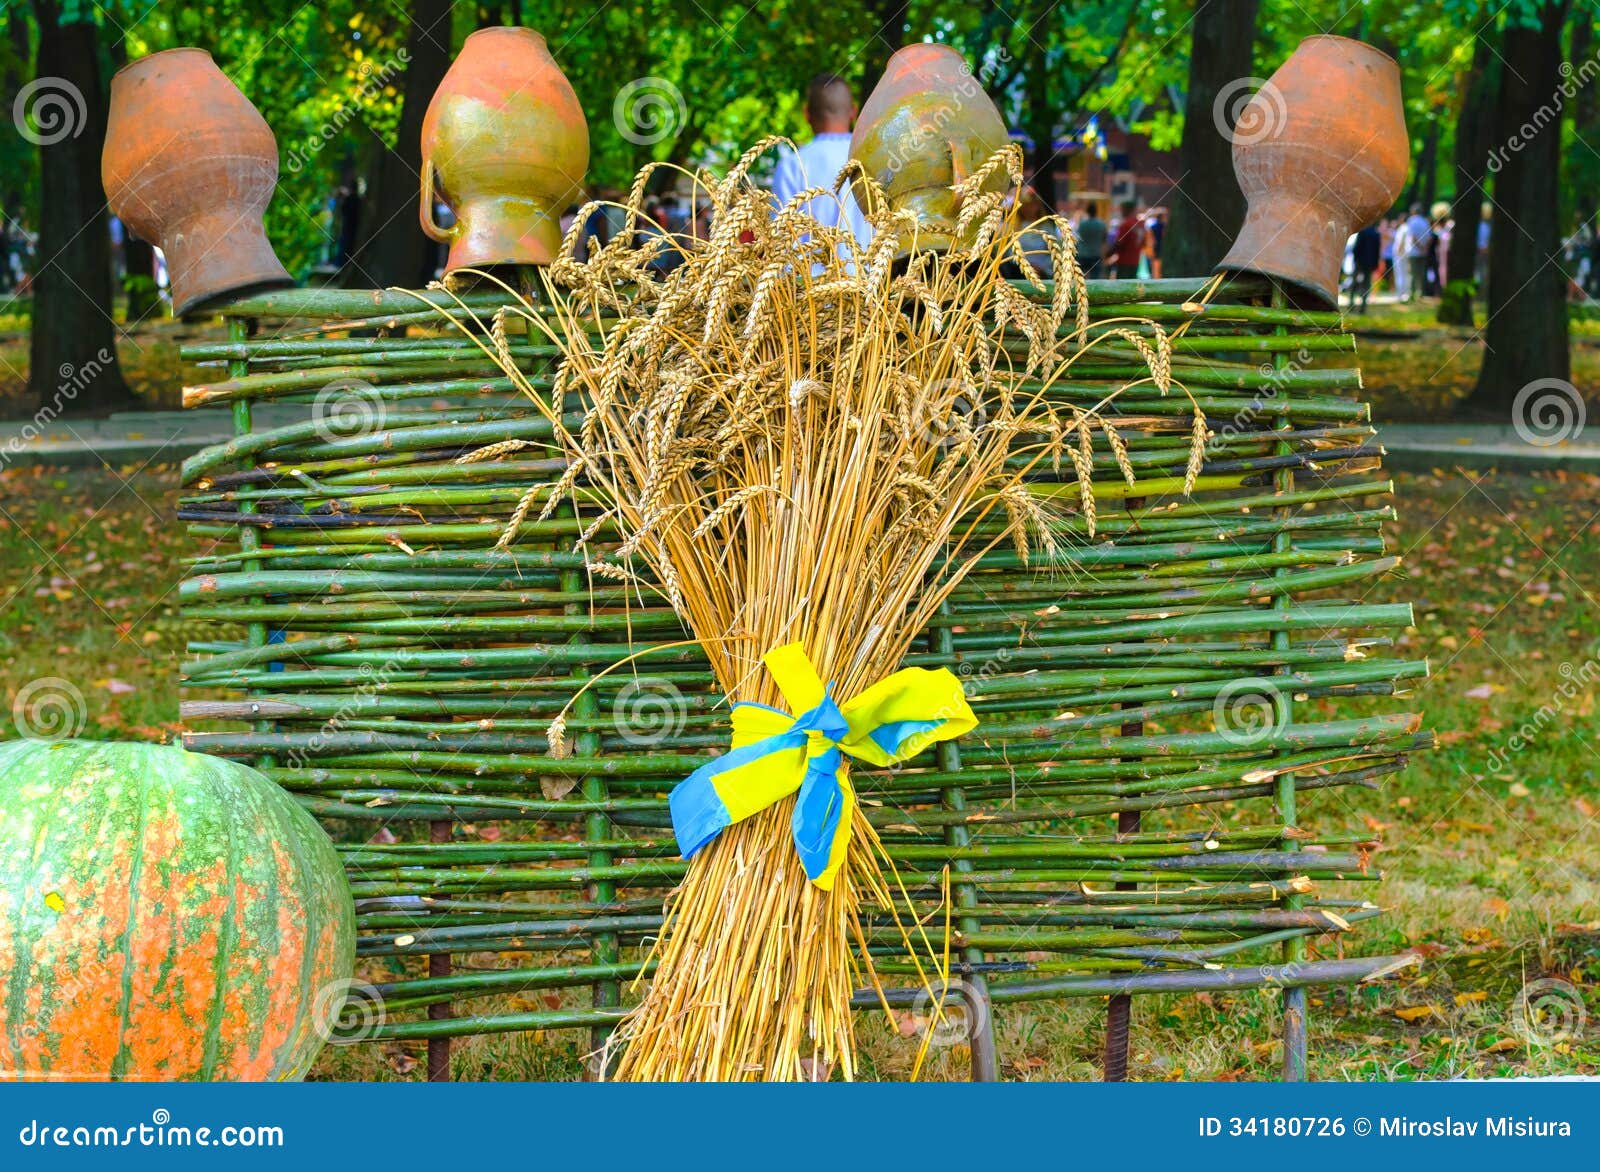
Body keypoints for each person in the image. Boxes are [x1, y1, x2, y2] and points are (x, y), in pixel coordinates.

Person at [770, 73, 871, 258]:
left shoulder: (792, 165)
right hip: (872, 281)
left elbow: (780, 240)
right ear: (854, 112)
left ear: (807, 114)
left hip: (806, 284)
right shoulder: (872, 159)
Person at [1105, 200, 1144, 280]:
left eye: (1122, 210)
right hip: (1136, 260)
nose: (1121, 212)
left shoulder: (1126, 224)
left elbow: (1119, 243)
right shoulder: (1140, 225)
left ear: (1127, 210)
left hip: (1124, 261)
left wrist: (1107, 255)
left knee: (1122, 286)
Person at [1401, 202, 1431, 302]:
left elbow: (1412, 237)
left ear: (1413, 211)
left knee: (1412, 273)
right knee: (1421, 273)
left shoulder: (1411, 221)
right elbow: (1429, 237)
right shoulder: (1425, 221)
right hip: (1423, 252)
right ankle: (1421, 293)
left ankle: (1412, 294)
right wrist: (1424, 248)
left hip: (1413, 251)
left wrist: (1420, 247)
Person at [1348, 222, 1381, 313]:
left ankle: (1351, 303)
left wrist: (1355, 259)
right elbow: (1377, 251)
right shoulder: (1376, 234)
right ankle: (1363, 306)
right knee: (1366, 284)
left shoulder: (1362, 232)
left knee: (1354, 282)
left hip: (1359, 261)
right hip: (1369, 263)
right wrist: (1375, 264)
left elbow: (1357, 247)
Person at [1074, 202, 1107, 277]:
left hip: (1082, 254)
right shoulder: (1101, 224)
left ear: (1087, 211)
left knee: (1080, 279)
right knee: (1095, 280)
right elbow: (1104, 240)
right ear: (1096, 211)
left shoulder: (1082, 224)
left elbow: (1077, 237)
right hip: (1095, 254)